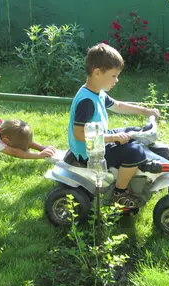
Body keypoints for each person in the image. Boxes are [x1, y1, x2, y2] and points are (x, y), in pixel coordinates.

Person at [68, 43, 160, 210]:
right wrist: (113, 138)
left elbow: (118, 105)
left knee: (135, 133)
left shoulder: (97, 93)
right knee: (135, 152)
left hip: (100, 138)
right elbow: (79, 134)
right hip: (90, 152)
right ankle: (119, 193)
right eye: (113, 76)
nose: (116, 80)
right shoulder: (87, 101)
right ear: (97, 72)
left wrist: (145, 111)